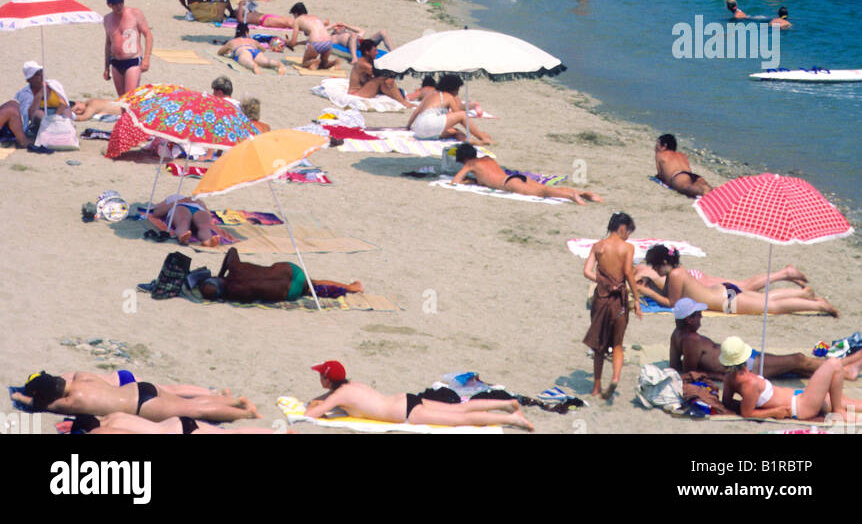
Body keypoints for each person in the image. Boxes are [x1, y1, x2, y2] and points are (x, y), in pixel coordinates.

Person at [304, 361, 534, 430]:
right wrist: (319, 400)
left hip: (405, 412)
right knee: (459, 409)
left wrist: (312, 406)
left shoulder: (339, 395)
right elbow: (326, 400)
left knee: (461, 419)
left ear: (326, 380)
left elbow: (311, 413)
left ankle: (512, 419)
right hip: (406, 399)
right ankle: (507, 404)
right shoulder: (351, 385)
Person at [669, 301, 851, 380]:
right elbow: (690, 373)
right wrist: (721, 376)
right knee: (798, 359)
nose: (701, 317)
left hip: (743, 359)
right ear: (689, 319)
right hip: (746, 365)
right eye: (698, 315)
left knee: (797, 368)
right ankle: (841, 367)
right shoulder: (691, 339)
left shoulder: (677, 334)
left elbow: (674, 364)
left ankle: (838, 369)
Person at [644, 247, 837, 317]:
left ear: (663, 263)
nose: (654, 271)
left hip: (726, 300)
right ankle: (803, 294)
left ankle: (821, 306)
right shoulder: (678, 271)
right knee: (765, 299)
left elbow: (673, 303)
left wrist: (648, 292)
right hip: (722, 293)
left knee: (772, 306)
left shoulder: (676, 275)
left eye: (654, 267)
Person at [12, 372, 258, 425]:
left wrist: (20, 396)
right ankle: (234, 402)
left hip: (141, 406)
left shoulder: (71, 401)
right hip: (139, 389)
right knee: (188, 404)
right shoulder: (82, 378)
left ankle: (246, 412)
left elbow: (37, 404)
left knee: (195, 412)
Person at [720, 341, 861, 420]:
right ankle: (838, 411)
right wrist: (773, 411)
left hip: (799, 397)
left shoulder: (730, 378)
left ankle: (839, 408)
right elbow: (747, 413)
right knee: (833, 364)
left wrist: (756, 404)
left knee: (846, 401)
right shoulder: (749, 384)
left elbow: (726, 401)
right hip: (800, 406)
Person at [582, 212, 642, 399]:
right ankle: (615, 377)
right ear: (622, 228)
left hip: (601, 298)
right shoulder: (627, 248)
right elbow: (627, 273)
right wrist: (637, 299)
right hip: (619, 301)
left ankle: (596, 386)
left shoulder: (598, 246)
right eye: (628, 232)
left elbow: (586, 271)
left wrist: (603, 281)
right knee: (617, 344)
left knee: (598, 344)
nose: (628, 236)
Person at [200, 247, 362, 303]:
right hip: (289, 270)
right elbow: (232, 251)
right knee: (314, 282)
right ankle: (351, 287)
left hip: (287, 290)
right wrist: (221, 273)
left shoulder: (233, 293)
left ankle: (351, 287)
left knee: (311, 288)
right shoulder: (235, 267)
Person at [452, 143, 600, 203]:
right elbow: (487, 175)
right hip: (514, 177)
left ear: (464, 158)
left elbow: (455, 182)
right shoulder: (487, 158)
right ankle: (581, 193)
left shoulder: (470, 164)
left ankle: (571, 196)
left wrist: (468, 180)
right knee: (547, 189)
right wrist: (474, 180)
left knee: (543, 193)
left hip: (508, 184)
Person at [407, 75, 491, 142]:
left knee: (455, 131)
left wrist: (408, 126)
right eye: (457, 89)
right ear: (452, 88)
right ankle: (482, 137)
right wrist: (478, 133)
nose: (458, 92)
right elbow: (460, 116)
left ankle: (473, 142)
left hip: (419, 130)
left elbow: (416, 112)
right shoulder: (449, 96)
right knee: (462, 115)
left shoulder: (430, 96)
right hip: (430, 125)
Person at [103, 0, 153, 95]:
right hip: (115, 62)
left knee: (130, 97)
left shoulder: (135, 14)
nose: (118, 6)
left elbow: (148, 35)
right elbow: (108, 44)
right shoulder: (107, 19)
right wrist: (106, 67)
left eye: (120, 2)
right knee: (121, 99)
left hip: (132, 61)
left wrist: (146, 59)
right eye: (115, 4)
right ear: (109, 4)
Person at [347, 38, 409, 104]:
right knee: (382, 79)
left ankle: (401, 99)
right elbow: (381, 74)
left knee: (387, 82)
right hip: (356, 93)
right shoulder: (362, 64)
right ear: (367, 52)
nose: (377, 52)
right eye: (375, 50)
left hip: (363, 89)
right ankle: (403, 102)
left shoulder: (369, 61)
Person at [146, 195, 220, 248]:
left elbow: (209, 215)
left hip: (197, 208)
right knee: (183, 220)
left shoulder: (197, 199)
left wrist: (198, 203)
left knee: (204, 225)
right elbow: (156, 212)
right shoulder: (173, 197)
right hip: (180, 206)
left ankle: (207, 241)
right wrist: (178, 202)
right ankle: (183, 237)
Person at [654, 133, 712, 197]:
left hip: (679, 176)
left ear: (664, 146)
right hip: (693, 176)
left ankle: (703, 191)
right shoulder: (682, 155)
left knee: (688, 188)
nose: (656, 146)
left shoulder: (660, 154)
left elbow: (660, 175)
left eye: (658, 143)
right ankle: (713, 190)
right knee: (707, 187)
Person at [218, 22, 286, 75]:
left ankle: (254, 67)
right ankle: (278, 64)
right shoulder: (253, 41)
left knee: (248, 62)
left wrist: (228, 51)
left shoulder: (232, 42)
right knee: (266, 61)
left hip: (243, 50)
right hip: (255, 51)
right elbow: (263, 50)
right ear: (247, 33)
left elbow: (220, 52)